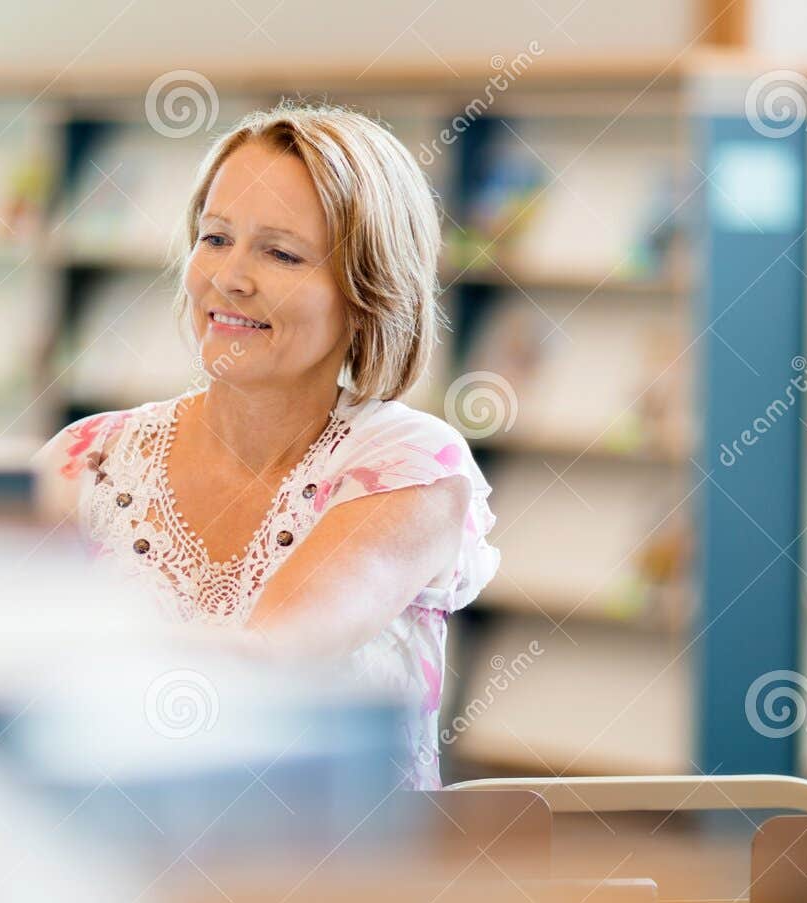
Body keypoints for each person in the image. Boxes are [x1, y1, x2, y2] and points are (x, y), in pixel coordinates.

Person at [38, 102, 498, 790]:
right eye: (215, 237)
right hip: (118, 879)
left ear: (367, 291)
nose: (229, 277)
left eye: (280, 252)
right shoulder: (91, 456)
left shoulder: (409, 466)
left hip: (336, 887)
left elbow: (275, 658)